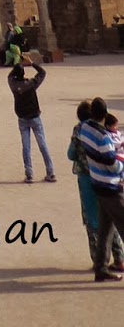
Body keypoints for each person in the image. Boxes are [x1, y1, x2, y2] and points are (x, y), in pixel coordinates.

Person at [69, 100, 124, 273]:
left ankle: (99, 264)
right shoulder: (103, 134)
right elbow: (112, 162)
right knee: (112, 221)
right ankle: (119, 257)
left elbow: (71, 154)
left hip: (89, 180)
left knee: (96, 222)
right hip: (109, 183)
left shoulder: (82, 130)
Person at [8, 57, 55, 182]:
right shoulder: (30, 84)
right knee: (42, 144)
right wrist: (31, 63)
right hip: (34, 116)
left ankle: (29, 174)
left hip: (22, 118)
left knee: (26, 146)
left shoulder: (13, 84)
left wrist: (19, 64)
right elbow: (42, 73)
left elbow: (10, 75)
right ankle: (50, 172)